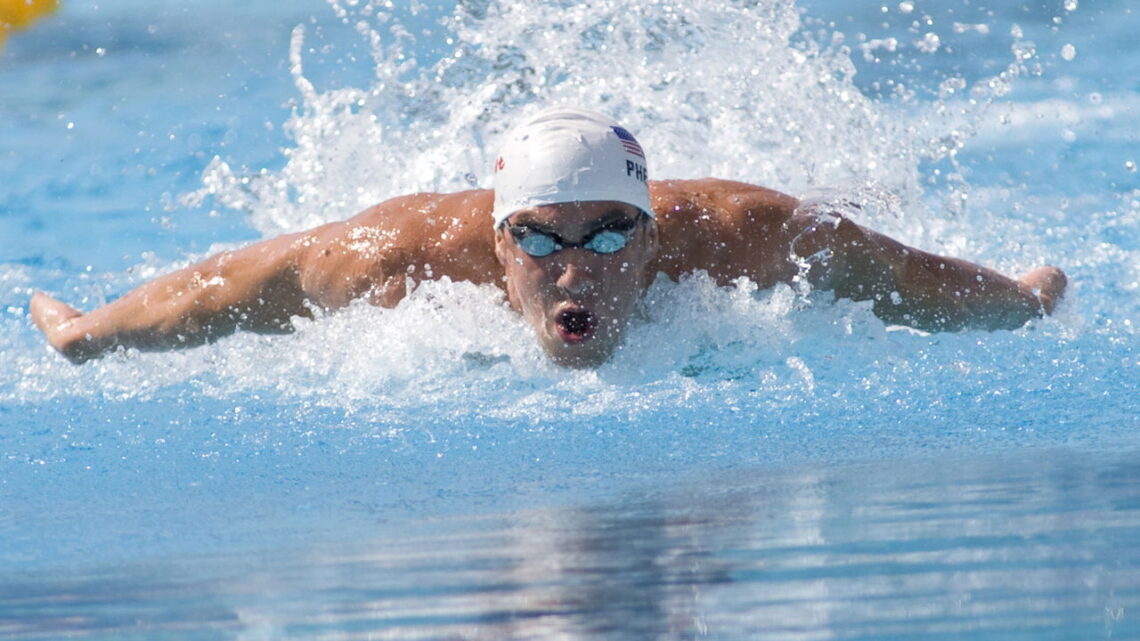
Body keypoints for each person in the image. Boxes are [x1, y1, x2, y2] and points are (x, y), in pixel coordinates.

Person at [30, 107, 1066, 368]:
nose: (579, 268)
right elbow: (226, 286)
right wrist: (90, 331)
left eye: (614, 237)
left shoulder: (743, 237)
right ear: (494, 247)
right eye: (541, 241)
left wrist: (1018, 299)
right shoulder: (393, 258)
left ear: (657, 240)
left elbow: (890, 273)